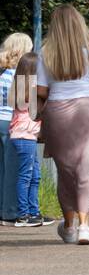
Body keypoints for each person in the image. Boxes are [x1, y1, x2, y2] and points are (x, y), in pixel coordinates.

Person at [37, 5, 89, 246]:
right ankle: (84, 226)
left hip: (57, 112)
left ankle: (69, 227)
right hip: (88, 109)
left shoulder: (46, 51)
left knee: (66, 173)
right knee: (86, 171)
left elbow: (40, 90)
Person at [0, 32, 34, 227]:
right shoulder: (18, 75)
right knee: (13, 170)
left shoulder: (1, 71)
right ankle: (10, 212)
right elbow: (22, 103)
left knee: (1, 169)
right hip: (12, 123)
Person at [9, 52, 44, 226]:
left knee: (35, 176)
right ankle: (23, 215)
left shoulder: (22, 86)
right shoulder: (26, 89)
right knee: (26, 176)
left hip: (28, 137)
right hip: (24, 137)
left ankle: (33, 211)